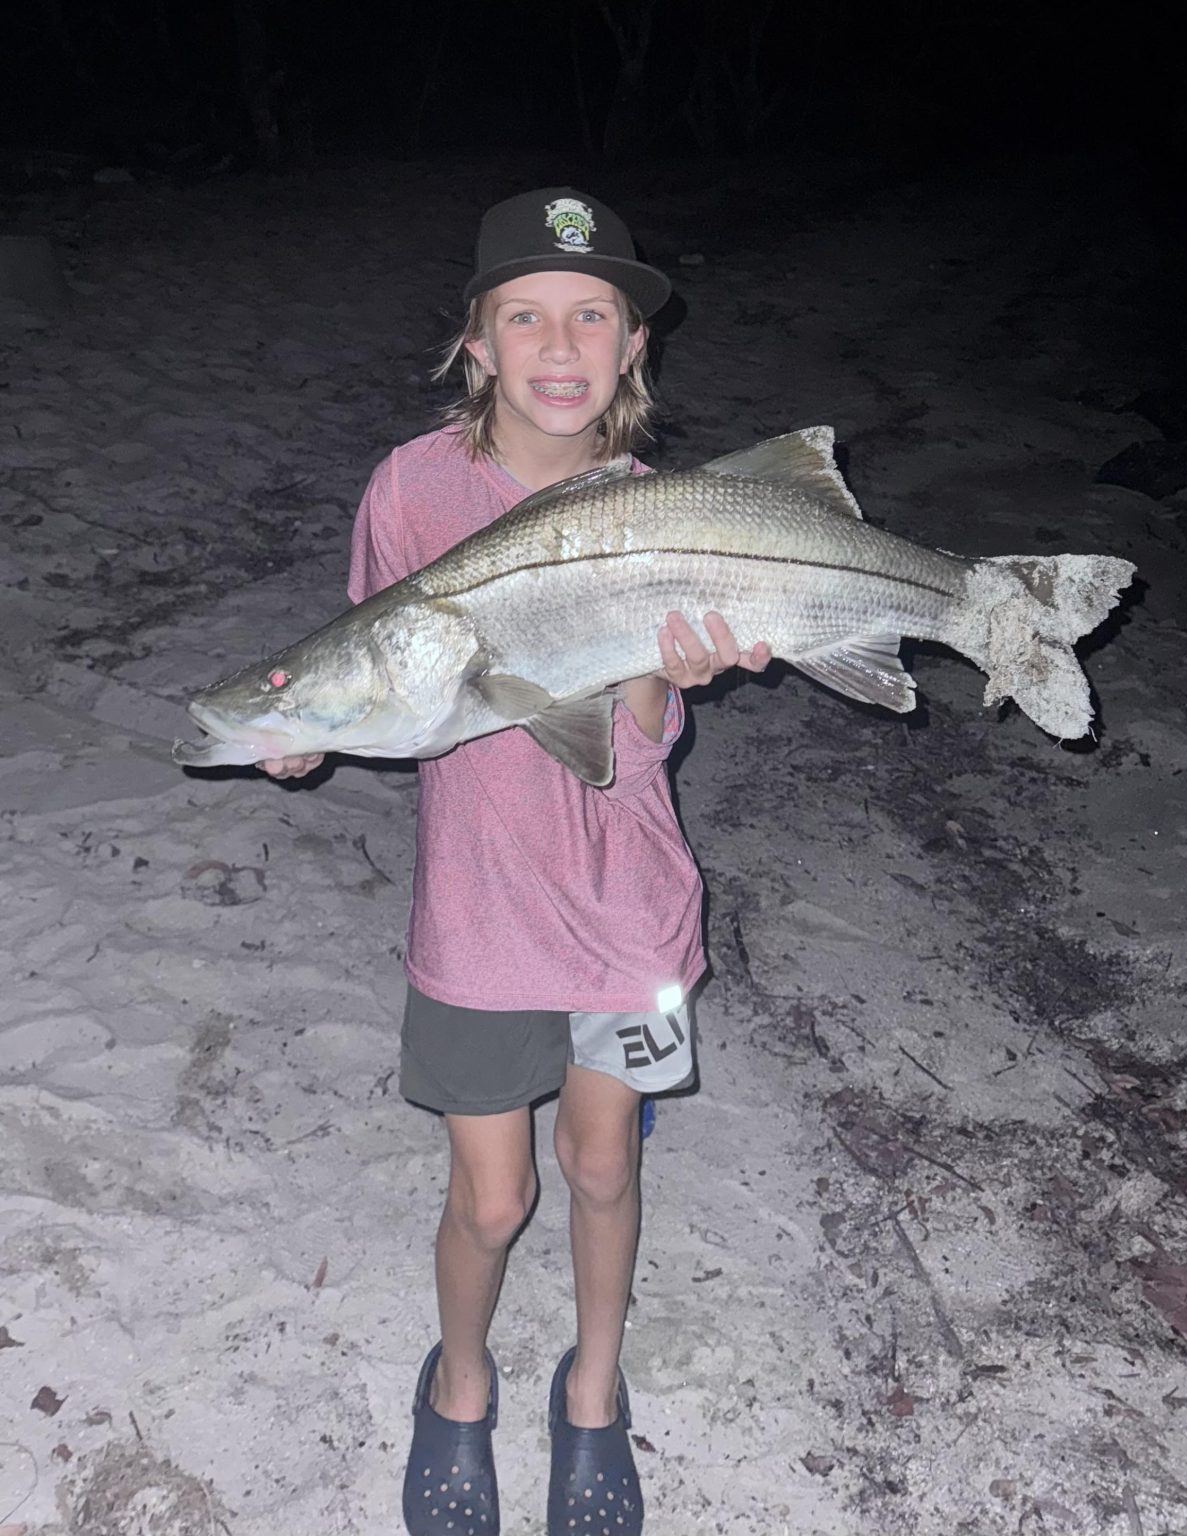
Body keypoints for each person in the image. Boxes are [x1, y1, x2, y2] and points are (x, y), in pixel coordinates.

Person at [261, 187, 770, 1536]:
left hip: (628, 902)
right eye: (526, 316)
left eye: (591, 316)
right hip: (480, 908)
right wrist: (313, 732)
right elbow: (384, 670)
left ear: (633, 347)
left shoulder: (669, 512)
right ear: (476, 341)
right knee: (493, 1201)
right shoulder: (412, 489)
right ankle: (462, 1384)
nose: (559, 345)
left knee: (603, 1169)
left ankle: (591, 1392)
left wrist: (669, 674)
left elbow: (637, 747)